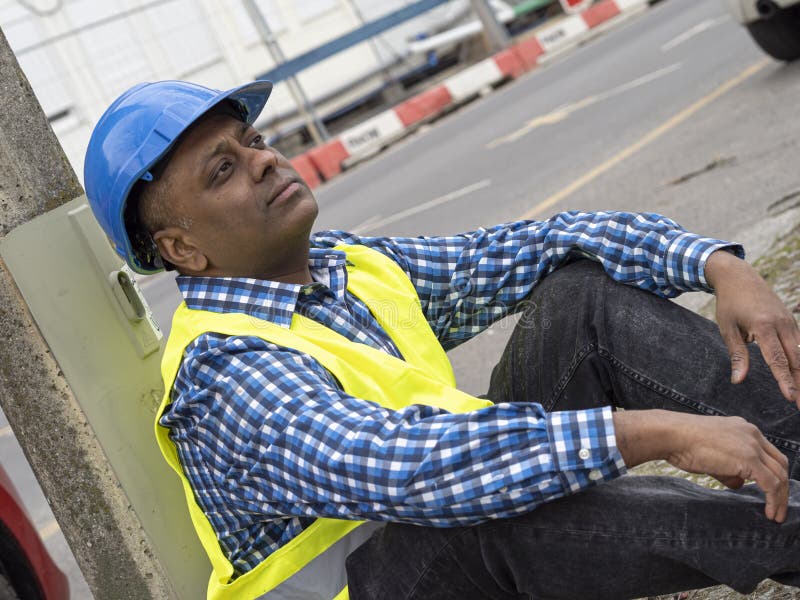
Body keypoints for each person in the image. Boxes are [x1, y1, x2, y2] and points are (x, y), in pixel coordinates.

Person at [84, 80, 800, 600]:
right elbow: (416, 472)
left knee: (579, 301)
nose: (264, 161)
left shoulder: (344, 267)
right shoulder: (223, 375)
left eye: (254, 142)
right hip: (398, 576)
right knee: (477, 506)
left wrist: (716, 265)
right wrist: (652, 433)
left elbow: (534, 247)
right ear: (182, 250)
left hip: (437, 558)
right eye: (223, 170)